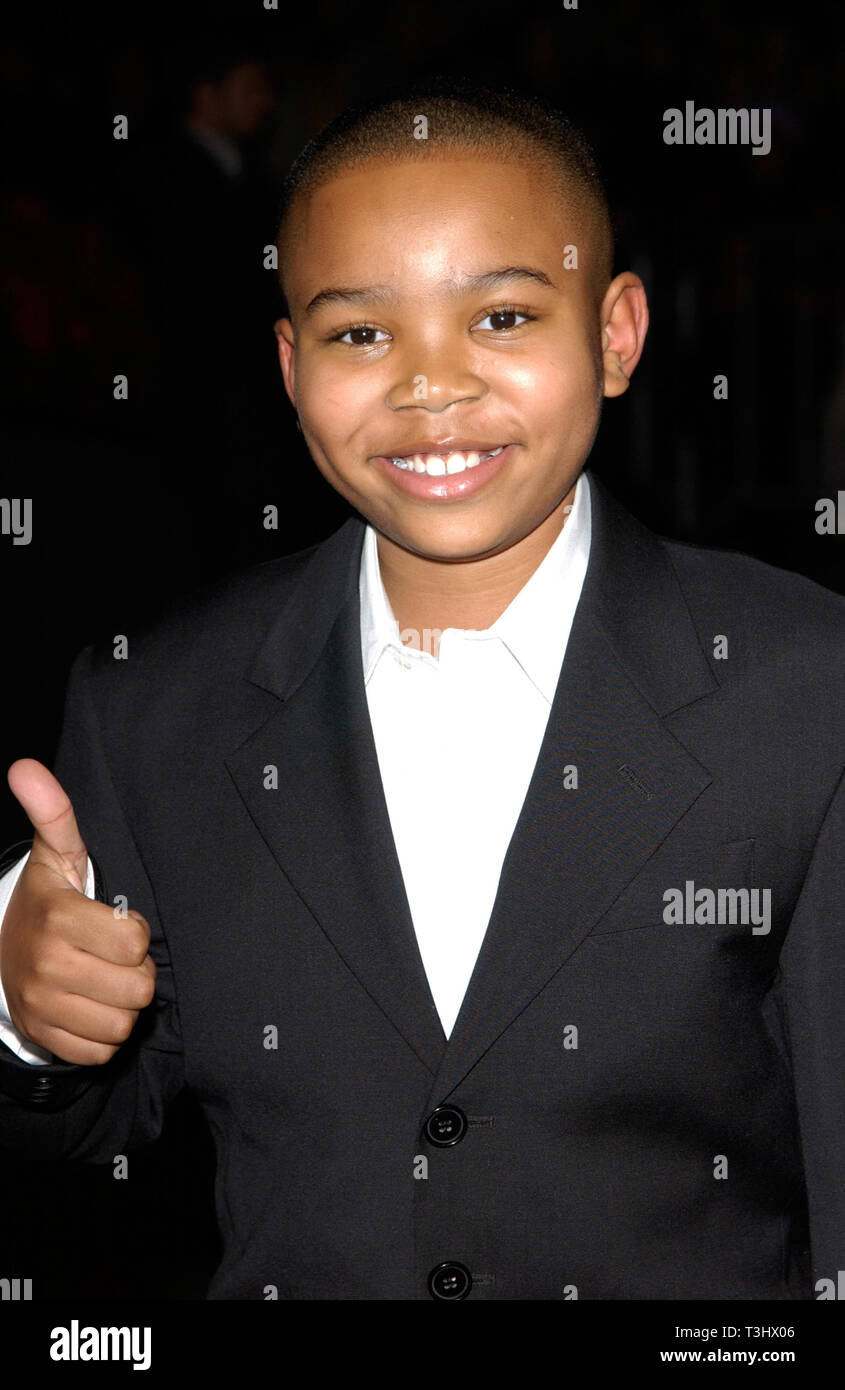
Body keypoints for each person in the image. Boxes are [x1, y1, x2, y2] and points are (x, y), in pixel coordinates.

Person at [0, 78, 843, 1301]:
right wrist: (24, 1009)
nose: (428, 385)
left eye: (501, 318)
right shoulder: (156, 706)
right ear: (289, 367)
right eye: (358, 333)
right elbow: (88, 1124)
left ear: (614, 336)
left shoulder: (802, 687)